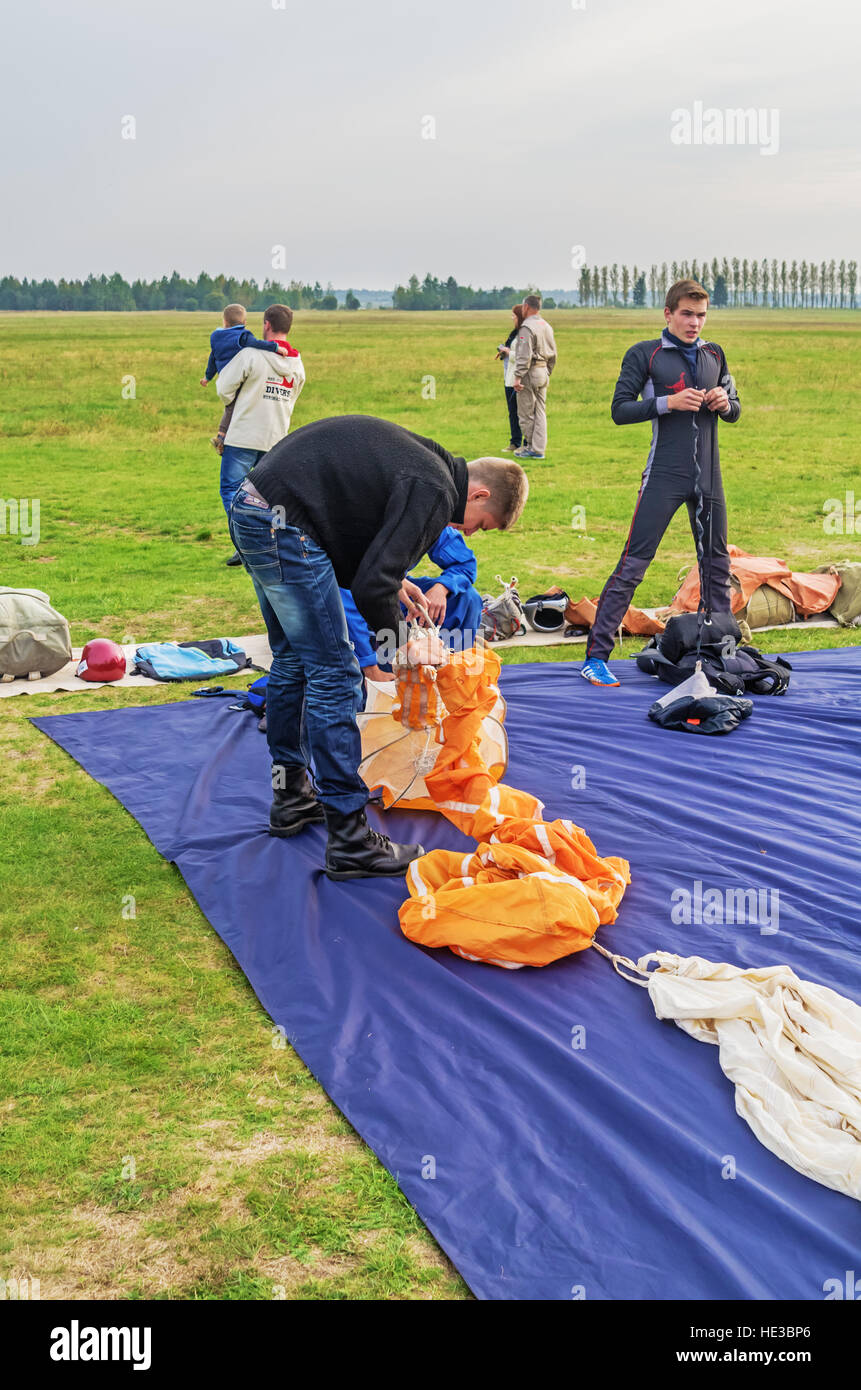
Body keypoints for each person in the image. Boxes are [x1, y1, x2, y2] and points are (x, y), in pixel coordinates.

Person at [227, 414, 528, 880]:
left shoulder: (428, 463)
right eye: (481, 526)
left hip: (255, 506)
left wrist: (396, 582)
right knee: (336, 674)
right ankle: (350, 839)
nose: (470, 534)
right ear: (480, 495)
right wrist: (402, 647)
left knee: (292, 660)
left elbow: (353, 536)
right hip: (281, 524)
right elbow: (370, 587)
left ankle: (291, 798)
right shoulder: (436, 490)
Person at [581, 278, 741, 687]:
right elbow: (619, 410)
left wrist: (726, 404)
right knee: (634, 564)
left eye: (701, 315)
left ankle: (721, 651)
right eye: (686, 314)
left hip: (710, 479)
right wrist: (667, 403)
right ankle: (596, 657)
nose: (694, 323)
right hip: (664, 477)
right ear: (668, 314)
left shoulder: (714, 354)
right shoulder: (645, 354)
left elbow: (735, 407)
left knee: (716, 565)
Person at [215, 303, 305, 565]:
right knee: (271, 496)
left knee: (232, 490)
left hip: (243, 436)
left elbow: (224, 389)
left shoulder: (251, 354)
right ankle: (276, 544)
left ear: (266, 324)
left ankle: (246, 544)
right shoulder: (297, 363)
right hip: (277, 438)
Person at [340, 525, 483, 683]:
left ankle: (448, 677)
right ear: (476, 498)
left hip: (387, 590)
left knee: (468, 598)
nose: (470, 532)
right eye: (481, 524)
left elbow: (465, 563)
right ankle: (383, 667)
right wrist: (370, 668)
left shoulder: (433, 516)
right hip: (348, 598)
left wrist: (442, 587)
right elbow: (347, 595)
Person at [200, 302, 292, 453]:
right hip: (239, 376)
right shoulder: (243, 335)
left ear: (224, 321)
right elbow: (256, 343)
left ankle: (221, 435)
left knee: (229, 407)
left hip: (224, 374)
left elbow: (213, 357)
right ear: (244, 323)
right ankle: (222, 438)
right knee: (237, 405)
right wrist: (275, 347)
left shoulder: (216, 336)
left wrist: (207, 377)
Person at [512, 294, 557, 460]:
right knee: (540, 412)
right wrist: (547, 371)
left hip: (530, 372)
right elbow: (554, 355)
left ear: (526, 307)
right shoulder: (546, 326)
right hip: (543, 371)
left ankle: (532, 447)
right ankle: (539, 448)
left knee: (526, 412)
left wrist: (517, 377)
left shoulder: (526, 327)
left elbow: (524, 355)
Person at [495, 304, 525, 452]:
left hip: (518, 377)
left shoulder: (524, 334)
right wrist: (503, 352)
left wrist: (508, 353)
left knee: (523, 412)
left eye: (513, 315)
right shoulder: (514, 333)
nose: (512, 317)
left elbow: (524, 357)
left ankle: (526, 443)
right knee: (512, 412)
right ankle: (515, 442)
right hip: (509, 376)